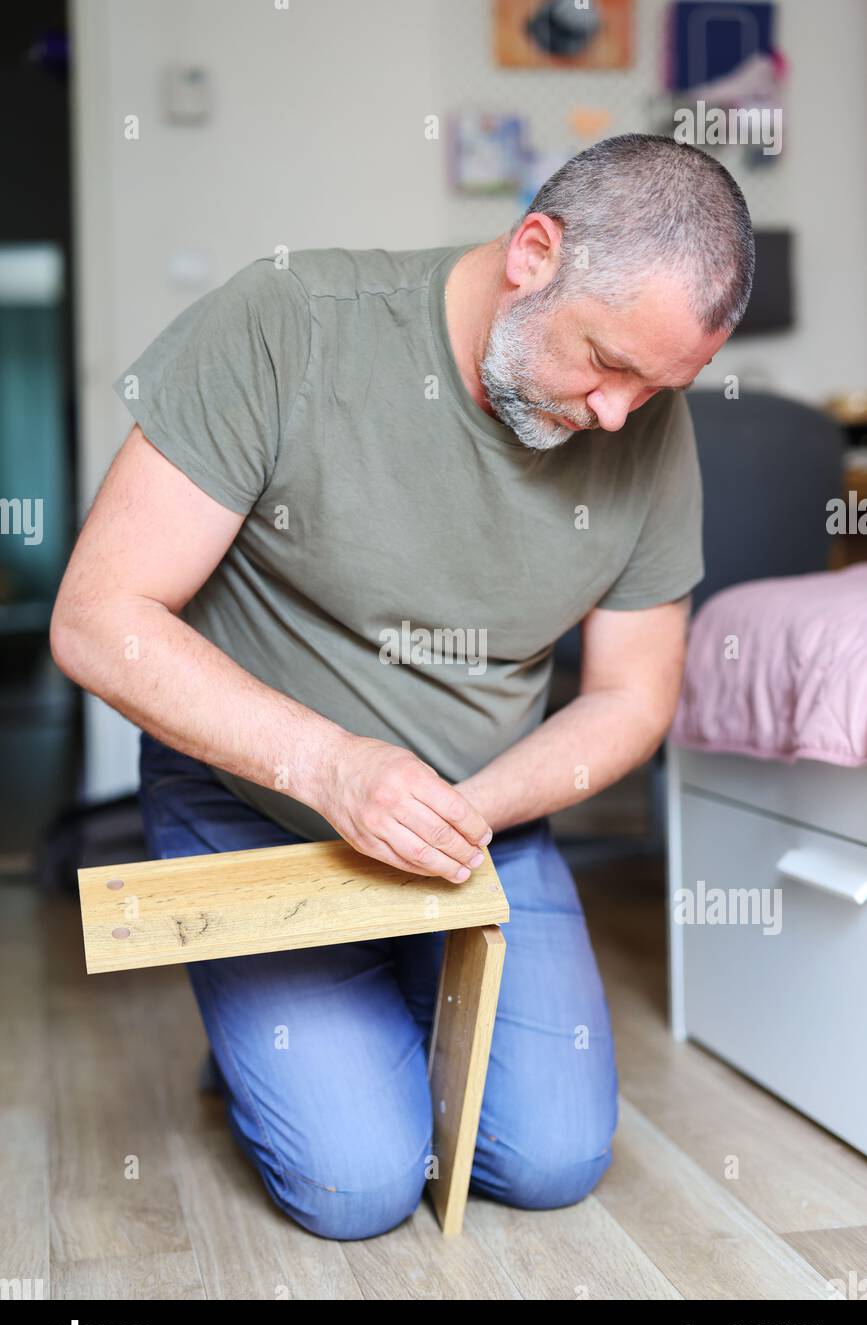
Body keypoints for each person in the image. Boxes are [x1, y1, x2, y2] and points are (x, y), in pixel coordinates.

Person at [51, 133, 754, 1240]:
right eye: (606, 363)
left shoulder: (644, 419)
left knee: (551, 1158)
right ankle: (273, 1027)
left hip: (479, 825)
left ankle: (335, 999)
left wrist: (475, 810)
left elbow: (634, 694)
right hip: (262, 811)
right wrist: (334, 769)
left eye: (658, 388)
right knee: (359, 1185)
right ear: (534, 250)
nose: (621, 414)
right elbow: (98, 620)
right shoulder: (290, 321)